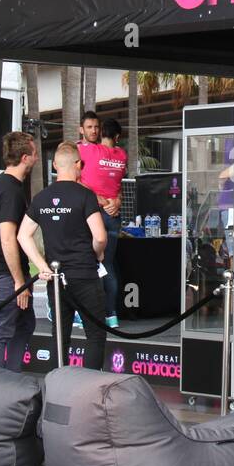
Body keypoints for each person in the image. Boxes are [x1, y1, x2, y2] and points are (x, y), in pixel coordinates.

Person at [18, 142, 109, 370]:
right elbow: (100, 237)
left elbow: (23, 235)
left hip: (57, 279)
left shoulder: (41, 198)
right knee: (95, 335)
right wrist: (97, 255)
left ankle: (59, 384)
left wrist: (42, 266)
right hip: (85, 275)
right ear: (78, 164)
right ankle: (90, 385)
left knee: (59, 336)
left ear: (55, 166)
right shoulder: (85, 196)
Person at [0, 131, 38, 370]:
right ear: (25, 158)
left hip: (5, 271)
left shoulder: (2, 184)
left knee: (25, 324)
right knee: (1, 330)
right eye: (34, 154)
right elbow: (7, 238)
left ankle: (11, 376)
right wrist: (19, 282)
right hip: (5, 274)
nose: (37, 158)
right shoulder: (11, 190)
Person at [78, 115, 127, 328]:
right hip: (113, 213)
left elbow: (74, 174)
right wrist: (116, 201)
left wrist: (98, 198)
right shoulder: (122, 155)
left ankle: (90, 315)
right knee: (107, 266)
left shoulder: (88, 150)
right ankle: (111, 315)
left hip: (94, 213)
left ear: (101, 132)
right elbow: (118, 186)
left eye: (96, 127)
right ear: (117, 137)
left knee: (89, 265)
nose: (93, 131)